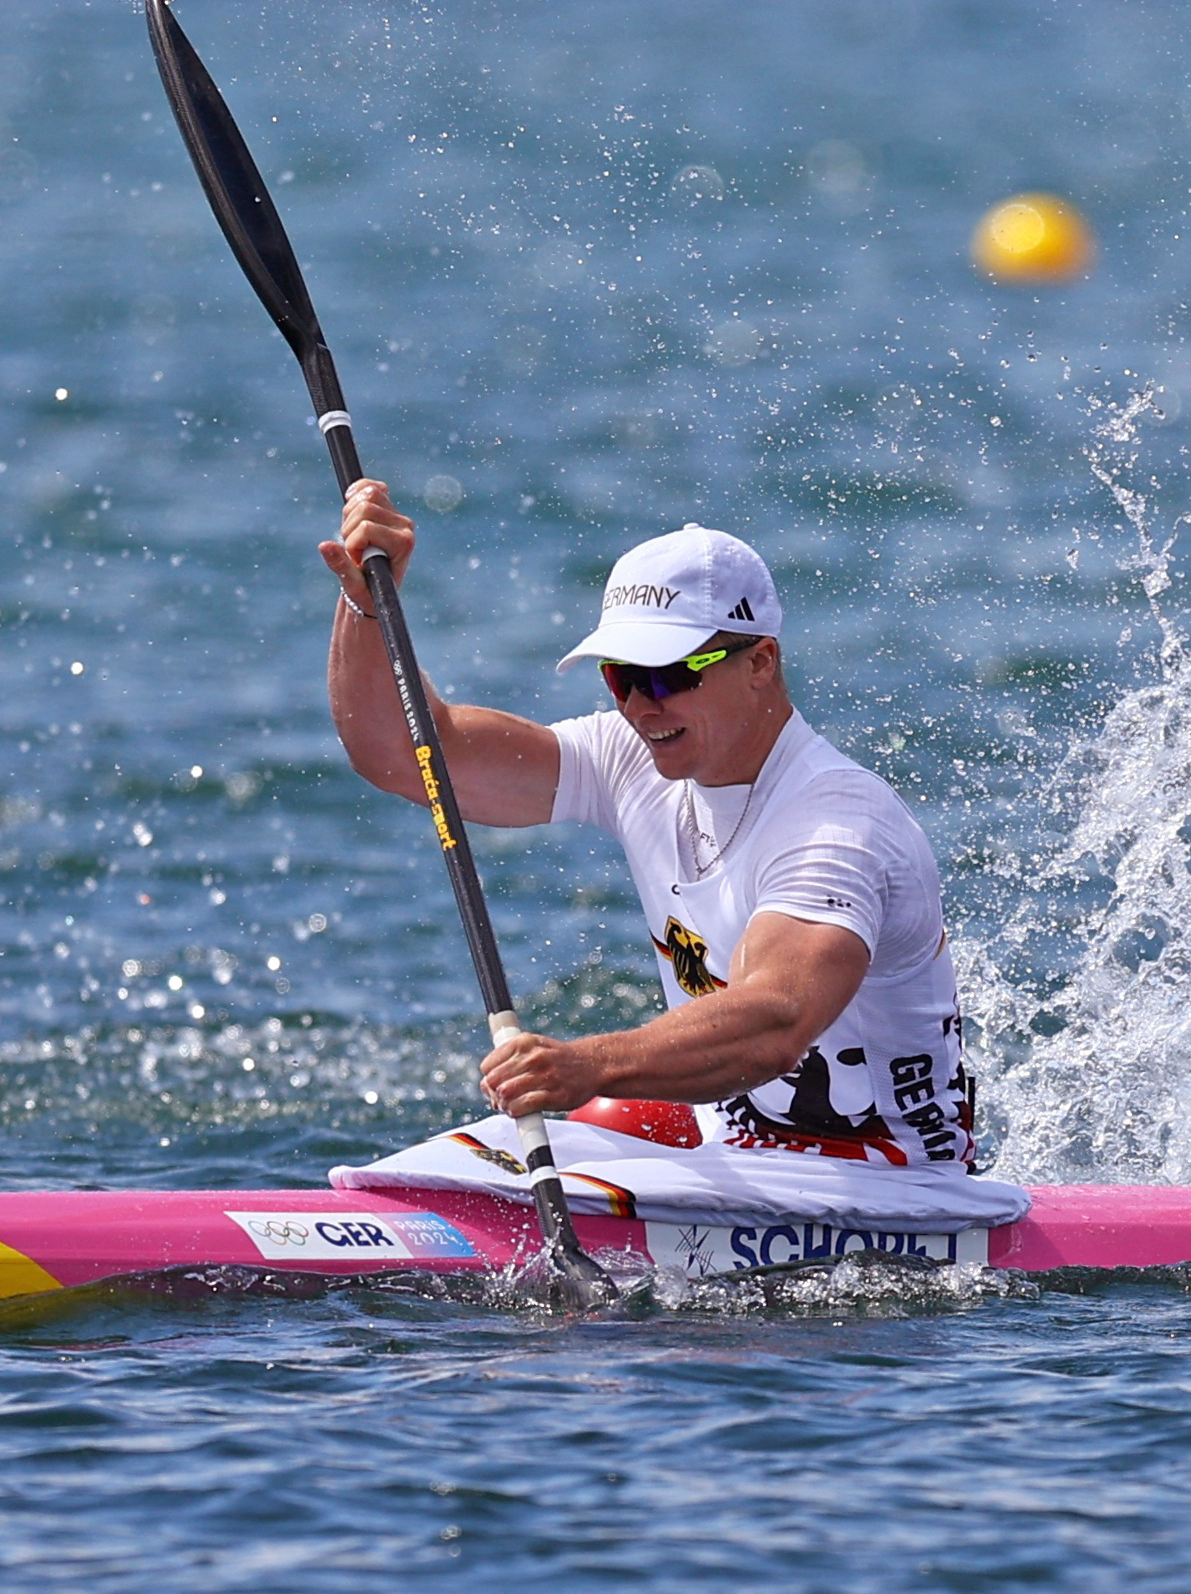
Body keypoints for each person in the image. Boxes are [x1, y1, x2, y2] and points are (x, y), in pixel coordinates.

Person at [315, 481, 1025, 1235]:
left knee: (586, 1106)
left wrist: (588, 1061)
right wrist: (366, 604)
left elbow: (775, 1019)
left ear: (759, 663)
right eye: (619, 676)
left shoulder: (836, 825)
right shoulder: (626, 759)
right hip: (745, 1155)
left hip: (891, 1189)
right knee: (557, 1129)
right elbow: (408, 757)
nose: (640, 706)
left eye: (668, 674)